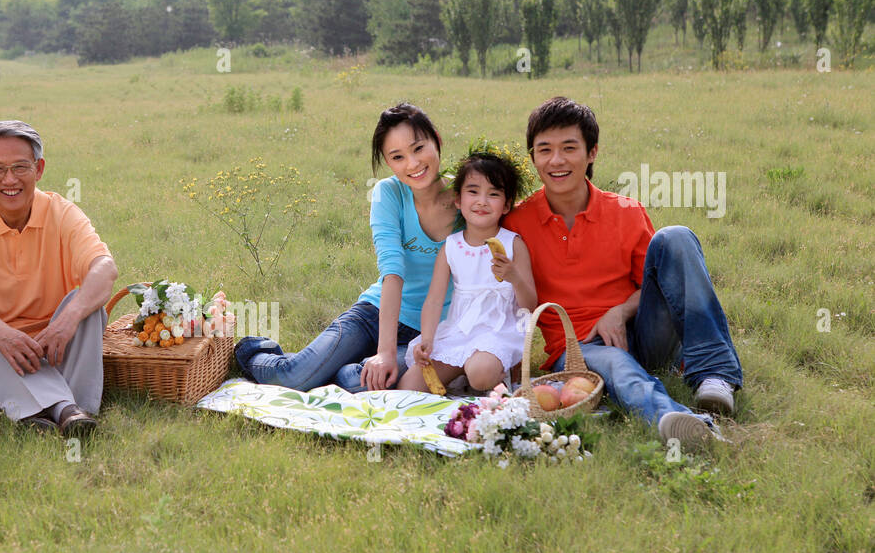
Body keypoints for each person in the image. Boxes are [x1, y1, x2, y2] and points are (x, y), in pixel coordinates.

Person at [504, 97, 743, 449]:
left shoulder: (626, 212)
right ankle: (684, 423)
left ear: (592, 153)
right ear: (533, 158)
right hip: (577, 349)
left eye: (569, 148)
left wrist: (620, 311)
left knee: (675, 236)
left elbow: (654, 286)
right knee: (618, 366)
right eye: (545, 150)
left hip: (643, 335)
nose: (556, 160)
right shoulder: (516, 223)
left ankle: (714, 375)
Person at [234, 102, 463, 391]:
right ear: (388, 162)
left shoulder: (468, 198)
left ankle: (327, 368)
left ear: (437, 140)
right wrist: (386, 353)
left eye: (419, 148)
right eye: (397, 157)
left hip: (428, 333)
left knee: (355, 381)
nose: (413, 164)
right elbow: (393, 271)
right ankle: (252, 349)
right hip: (375, 314)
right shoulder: (388, 193)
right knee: (292, 378)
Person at [0, 120, 119, 435]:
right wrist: (4, 334)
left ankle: (43, 415)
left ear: (38, 169)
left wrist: (67, 321)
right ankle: (67, 410)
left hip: (54, 343)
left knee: (86, 305)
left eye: (20, 167)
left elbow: (104, 268)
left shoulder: (62, 212)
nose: (9, 179)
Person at [399, 150, 537, 394]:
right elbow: (433, 301)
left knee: (480, 374)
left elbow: (529, 306)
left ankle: (491, 373)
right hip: (459, 332)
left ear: (506, 205)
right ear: (458, 200)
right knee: (409, 385)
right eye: (473, 192)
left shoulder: (513, 244)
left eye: (493, 194)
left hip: (498, 332)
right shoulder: (452, 247)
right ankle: (459, 374)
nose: (482, 201)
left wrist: (513, 276)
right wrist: (427, 339)